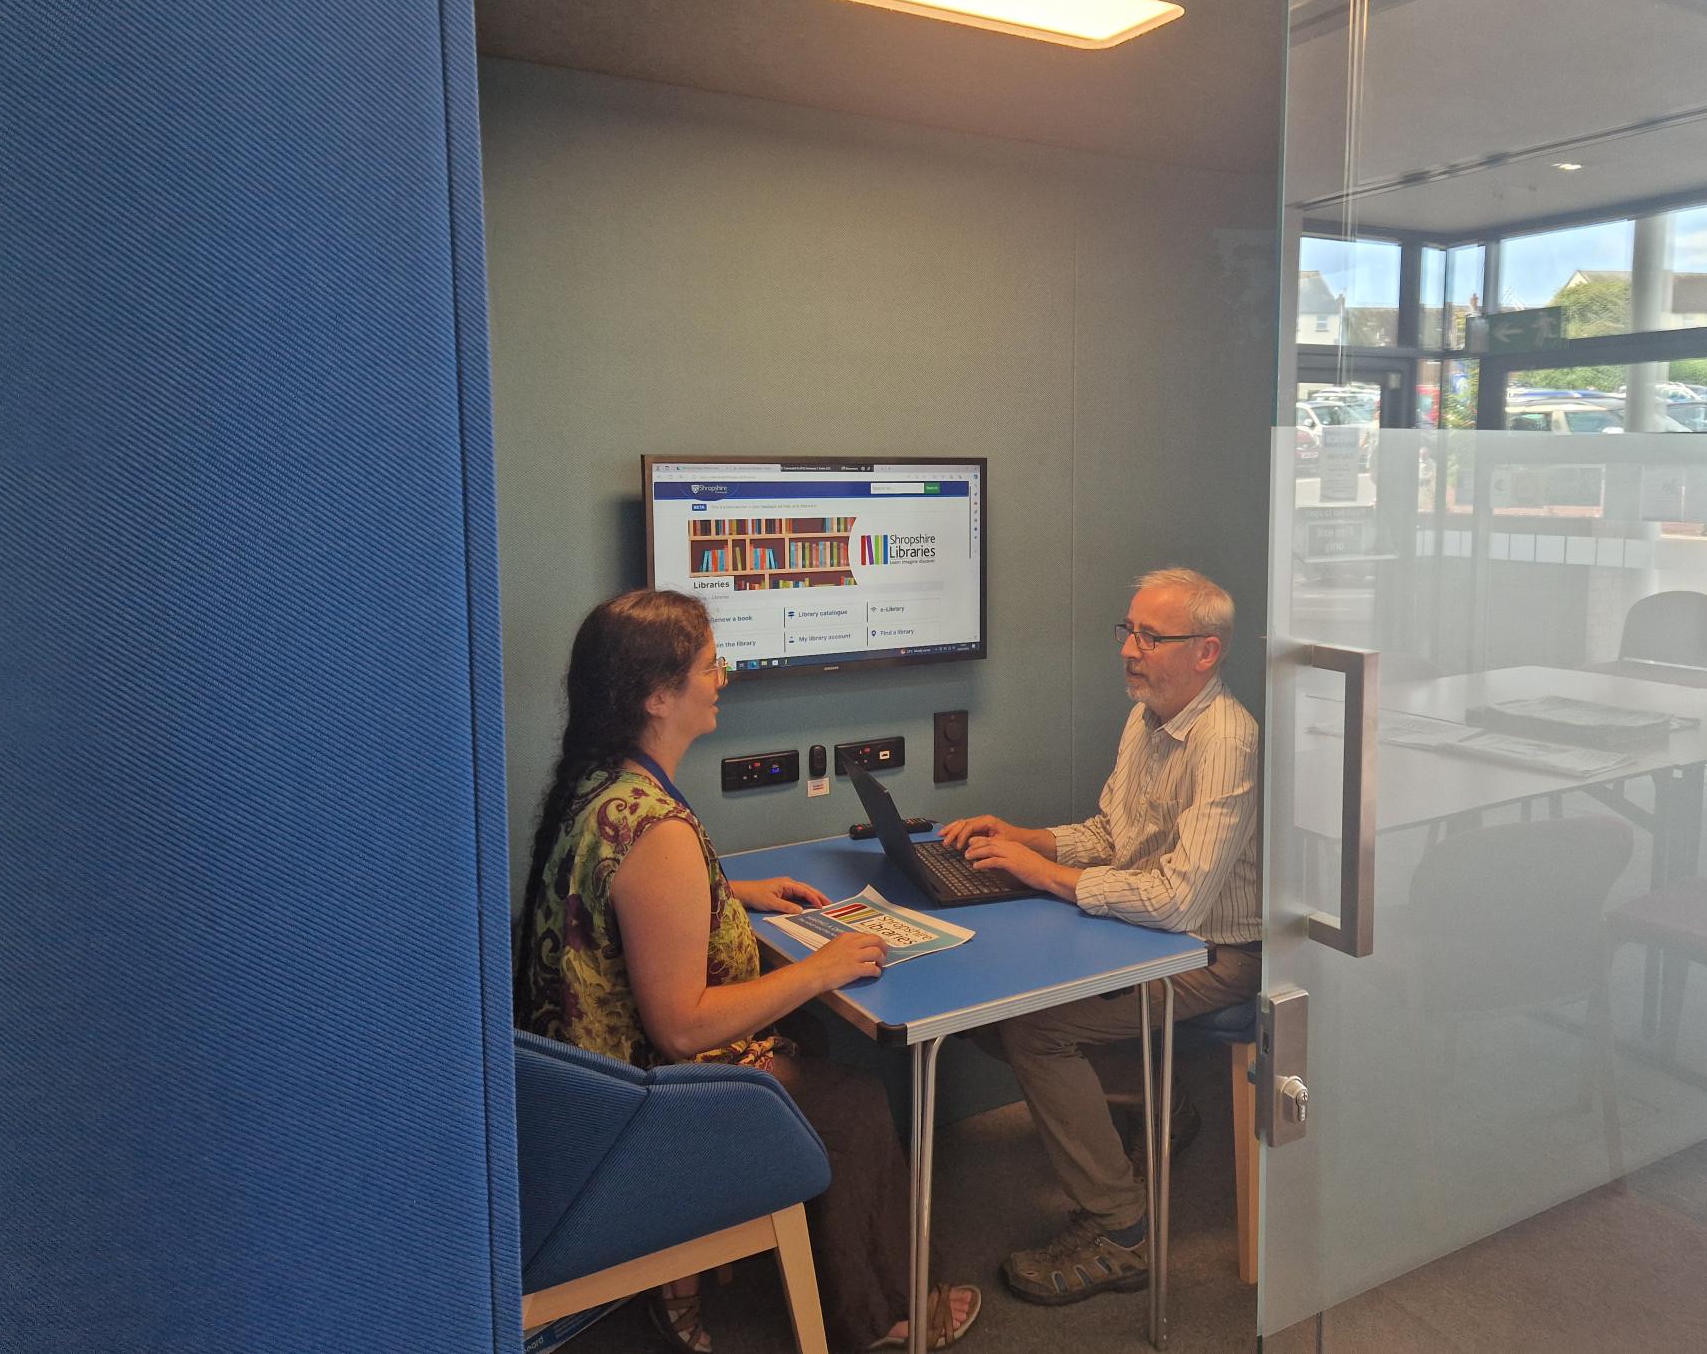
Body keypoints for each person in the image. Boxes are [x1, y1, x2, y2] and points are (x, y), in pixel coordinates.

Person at [512, 590, 981, 1353]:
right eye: (708, 665)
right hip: (640, 1109)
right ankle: (888, 1315)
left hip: (582, 1086)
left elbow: (627, 901)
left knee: (809, 1046)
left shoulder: (599, 787)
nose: (722, 677)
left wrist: (726, 891)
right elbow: (681, 1027)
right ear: (658, 696)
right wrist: (821, 968)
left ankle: (710, 1271)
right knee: (854, 1104)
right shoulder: (658, 833)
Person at [940, 566, 1260, 1307]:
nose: (1128, 649)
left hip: (1216, 952)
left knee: (1036, 1030)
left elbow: (1178, 900)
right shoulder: (1148, 717)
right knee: (989, 1009)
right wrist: (1026, 839)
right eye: (1129, 630)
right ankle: (1155, 1107)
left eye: (1151, 636)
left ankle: (1121, 1232)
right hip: (1152, 935)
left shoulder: (1226, 741)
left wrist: (1043, 874)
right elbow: (1113, 836)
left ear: (1206, 652)